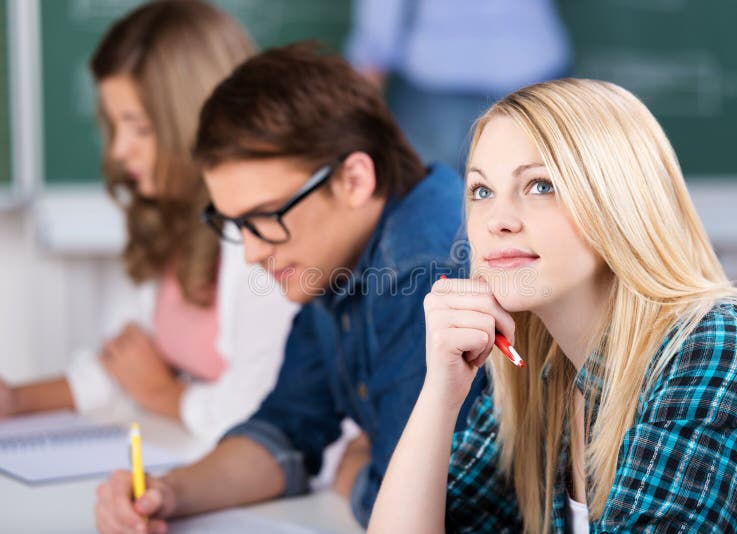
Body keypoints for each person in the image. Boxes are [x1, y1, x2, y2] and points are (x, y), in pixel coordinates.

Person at [369, 78, 737, 533]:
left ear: (619, 202)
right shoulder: (539, 374)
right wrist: (440, 393)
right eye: (481, 191)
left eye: (539, 185)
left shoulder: (722, 349)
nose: (497, 220)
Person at [92, 43, 486, 534]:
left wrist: (354, 475)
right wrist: (169, 493)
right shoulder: (333, 259)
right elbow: (284, 429)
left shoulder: (425, 276)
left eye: (264, 218)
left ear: (354, 179)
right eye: (236, 224)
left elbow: (425, 511)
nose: (253, 253)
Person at [0, 0, 297, 442]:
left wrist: (164, 394)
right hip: (186, 452)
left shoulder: (266, 234)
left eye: (139, 128)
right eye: (114, 127)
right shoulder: (168, 214)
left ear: (193, 119)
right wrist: (17, 400)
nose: (120, 150)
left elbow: (265, 411)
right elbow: (125, 362)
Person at [345, 0, 571, 172]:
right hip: (527, 66)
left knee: (435, 204)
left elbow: (381, 15)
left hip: (437, 74)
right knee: (528, 198)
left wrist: (370, 65)